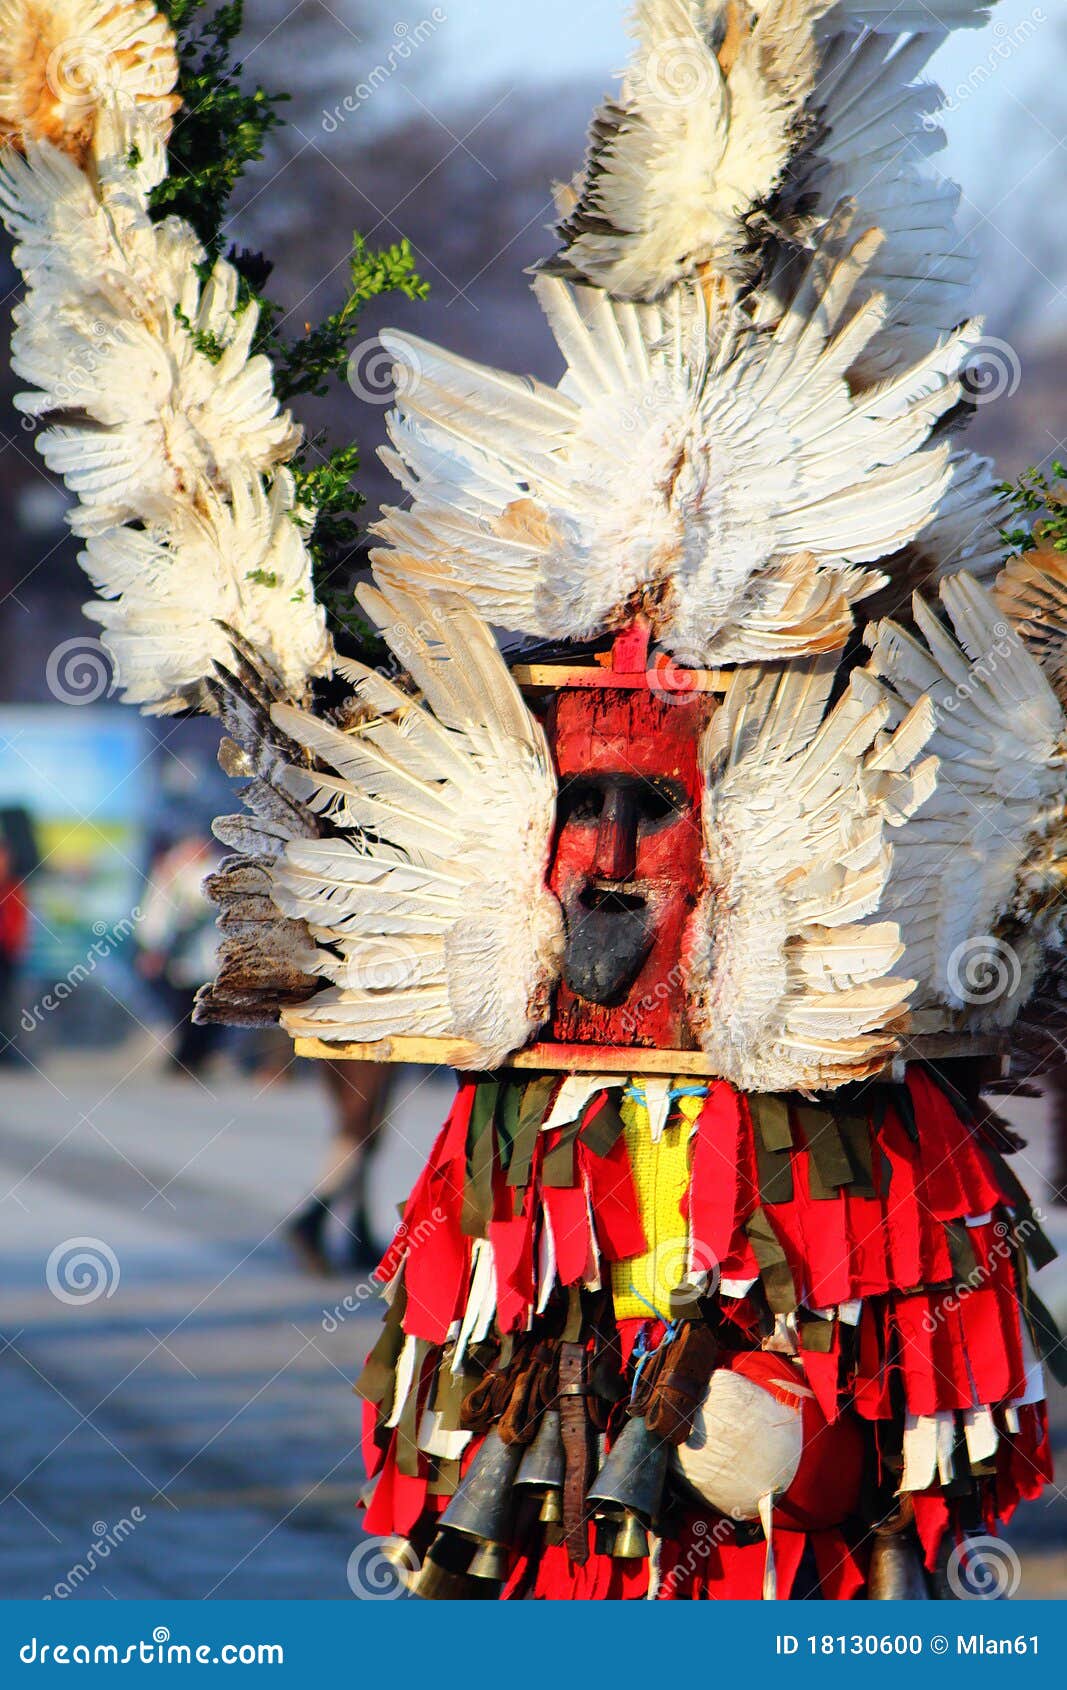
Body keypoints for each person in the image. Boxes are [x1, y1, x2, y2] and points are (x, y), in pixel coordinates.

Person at [288, 1058, 392, 1275]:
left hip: (328, 1028)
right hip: (377, 1033)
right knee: (362, 1124)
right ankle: (313, 1215)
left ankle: (359, 1230)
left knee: (355, 1123)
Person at [137, 834, 226, 1075]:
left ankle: (197, 1057)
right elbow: (157, 910)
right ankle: (185, 1058)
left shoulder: (218, 869)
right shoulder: (170, 872)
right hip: (182, 956)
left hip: (212, 958)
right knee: (185, 1007)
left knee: (211, 1008)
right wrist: (153, 946)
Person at [0, 835, 29, 1064]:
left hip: (7, 955)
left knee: (6, 1004)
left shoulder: (13, 888)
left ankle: (6, 1049)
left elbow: (17, 926)